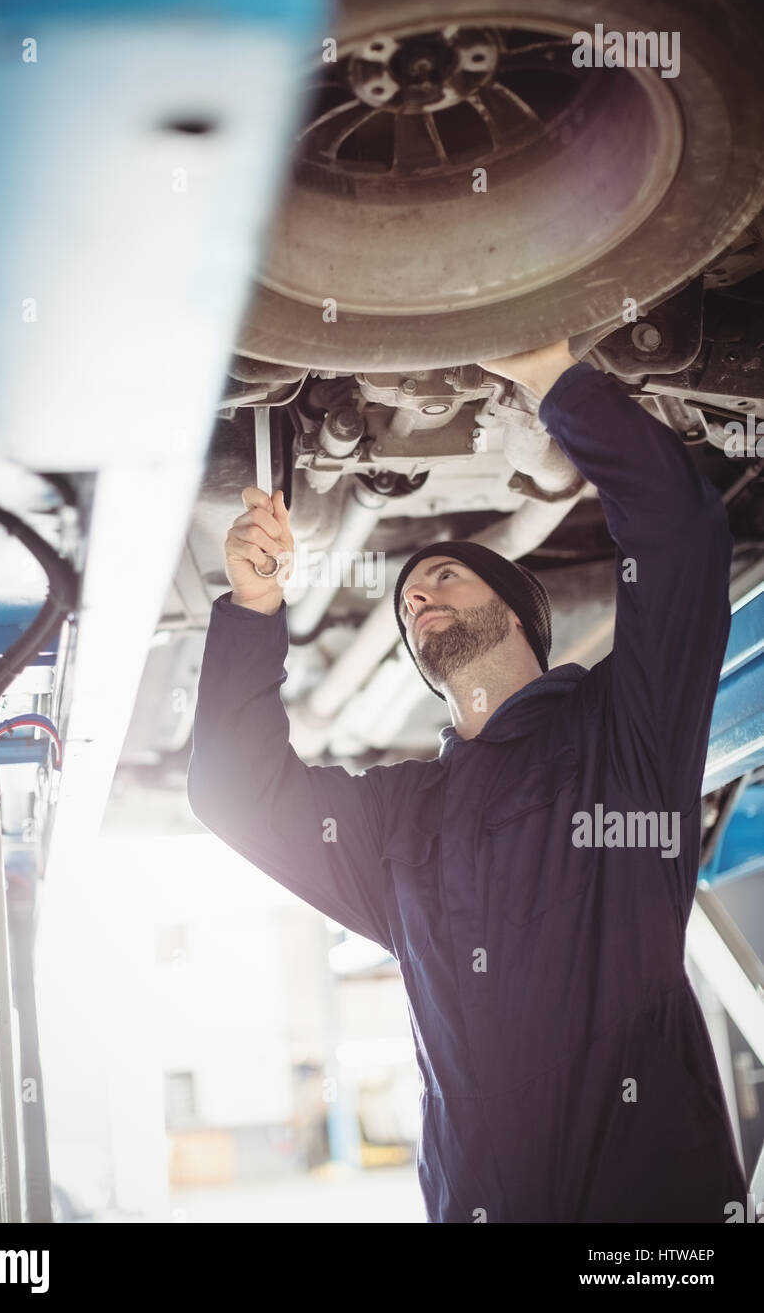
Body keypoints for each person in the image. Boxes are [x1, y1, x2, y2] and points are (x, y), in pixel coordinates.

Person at [187, 338, 748, 1222]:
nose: (417, 599)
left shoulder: (625, 736)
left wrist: (554, 379)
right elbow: (235, 794)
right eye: (410, 602)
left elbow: (679, 540)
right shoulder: (400, 823)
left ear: (520, 612)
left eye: (443, 576)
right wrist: (254, 609)